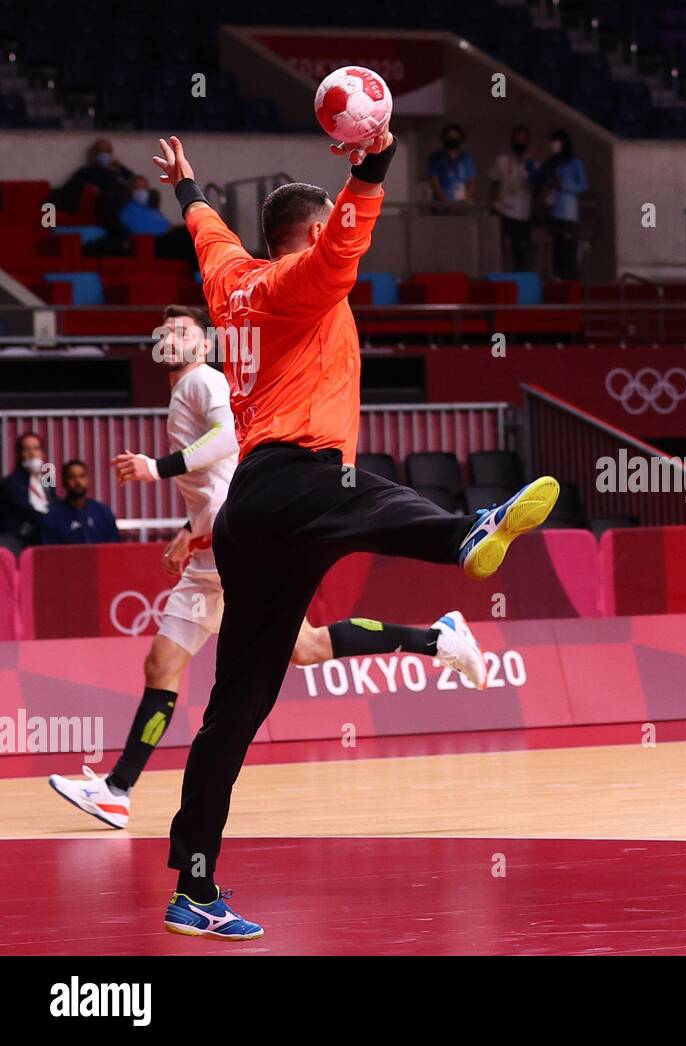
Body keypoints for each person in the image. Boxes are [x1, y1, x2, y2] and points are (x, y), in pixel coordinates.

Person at [149, 131, 558, 939]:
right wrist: (373, 157)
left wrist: (187, 186)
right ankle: (463, 536)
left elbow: (206, 229)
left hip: (251, 518)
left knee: (236, 710)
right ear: (309, 235)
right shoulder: (305, 282)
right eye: (326, 226)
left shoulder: (229, 278)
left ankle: (194, 886)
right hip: (296, 479)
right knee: (362, 496)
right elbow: (352, 228)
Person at [48, 304, 467, 832]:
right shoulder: (184, 391)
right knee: (209, 660)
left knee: (277, 651)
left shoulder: (203, 382)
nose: (170, 337)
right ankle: (117, 790)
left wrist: (158, 469)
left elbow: (228, 441)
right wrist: (189, 531)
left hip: (234, 545)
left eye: (183, 330)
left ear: (203, 344)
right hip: (212, 549)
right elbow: (219, 476)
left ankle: (435, 638)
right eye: (165, 331)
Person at [536, 129, 587, 280]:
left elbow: (583, 185)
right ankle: (558, 278)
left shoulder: (574, 162)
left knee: (569, 250)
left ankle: (570, 280)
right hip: (552, 210)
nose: (553, 146)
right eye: (551, 143)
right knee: (556, 250)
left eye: (556, 142)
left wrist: (564, 185)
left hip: (568, 212)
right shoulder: (550, 163)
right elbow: (540, 179)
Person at [489, 125, 537, 270]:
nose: (520, 142)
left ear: (528, 142)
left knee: (520, 251)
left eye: (523, 140)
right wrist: (492, 204)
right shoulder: (502, 161)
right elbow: (494, 183)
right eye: (517, 139)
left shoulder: (533, 164)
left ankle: (520, 280)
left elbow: (537, 189)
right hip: (503, 211)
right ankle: (498, 276)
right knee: (497, 249)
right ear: (512, 140)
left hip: (523, 213)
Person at [40, 460, 119, 544]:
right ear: (63, 481)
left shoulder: (103, 513)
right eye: (71, 477)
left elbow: (115, 548)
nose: (77, 481)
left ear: (88, 480)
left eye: (82, 476)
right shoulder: (53, 517)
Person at [0, 431, 51, 548]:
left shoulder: (46, 480)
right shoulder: (11, 483)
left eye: (36, 448)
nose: (32, 453)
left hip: (46, 536)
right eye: (26, 449)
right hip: (20, 540)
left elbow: (54, 505)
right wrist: (52, 520)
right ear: (19, 454)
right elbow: (26, 510)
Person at [426, 123, 476, 209]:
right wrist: (447, 204)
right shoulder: (436, 159)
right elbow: (434, 183)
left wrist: (464, 202)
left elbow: (471, 183)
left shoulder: (466, 159)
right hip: (441, 207)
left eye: (455, 138)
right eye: (450, 138)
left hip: (461, 206)